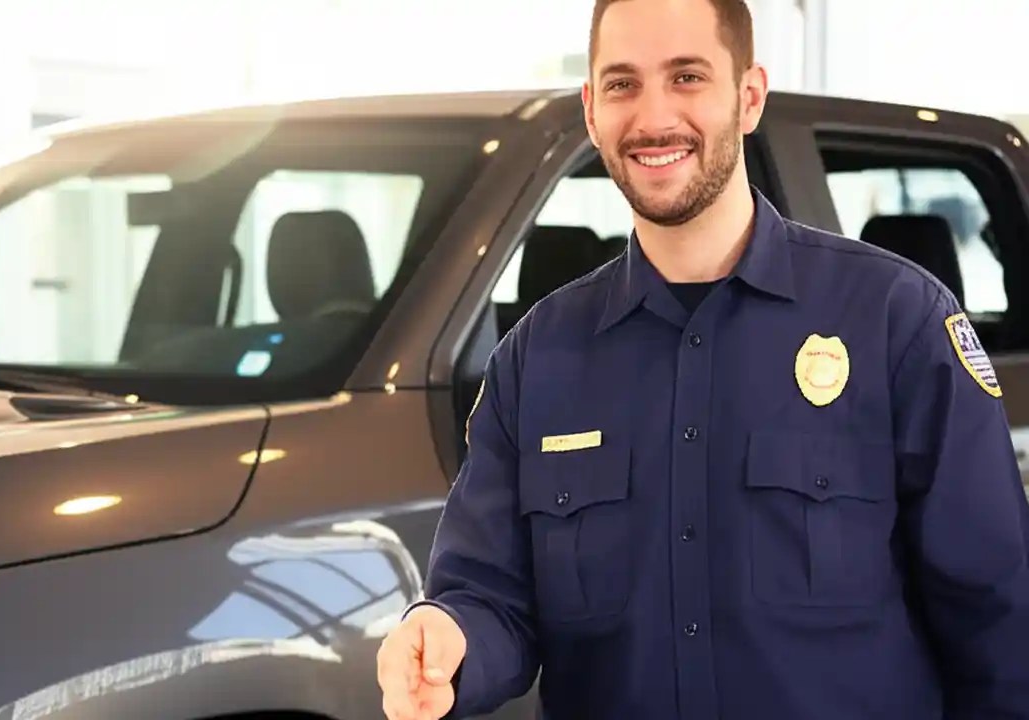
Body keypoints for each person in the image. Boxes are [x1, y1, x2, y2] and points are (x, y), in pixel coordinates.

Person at [375, 0, 1029, 718]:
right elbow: (492, 596)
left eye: (686, 76)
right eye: (622, 84)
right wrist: (448, 636)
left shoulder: (897, 321)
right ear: (591, 110)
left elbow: (999, 621)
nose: (653, 116)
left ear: (749, 97)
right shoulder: (537, 359)